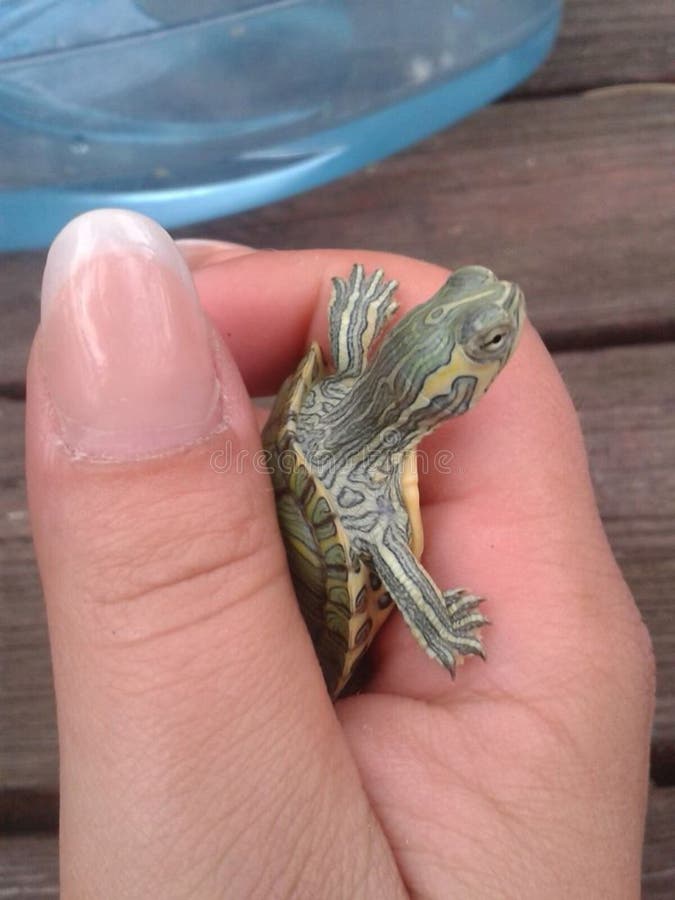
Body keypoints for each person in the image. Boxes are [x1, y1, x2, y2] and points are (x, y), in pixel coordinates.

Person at [26, 209, 654, 898]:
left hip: (318, 487)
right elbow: (390, 555)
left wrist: (353, 311)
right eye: (489, 339)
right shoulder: (366, 476)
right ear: (442, 393)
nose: (498, 300)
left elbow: (353, 373)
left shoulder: (344, 399)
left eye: (487, 329)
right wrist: (440, 627)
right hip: (314, 636)